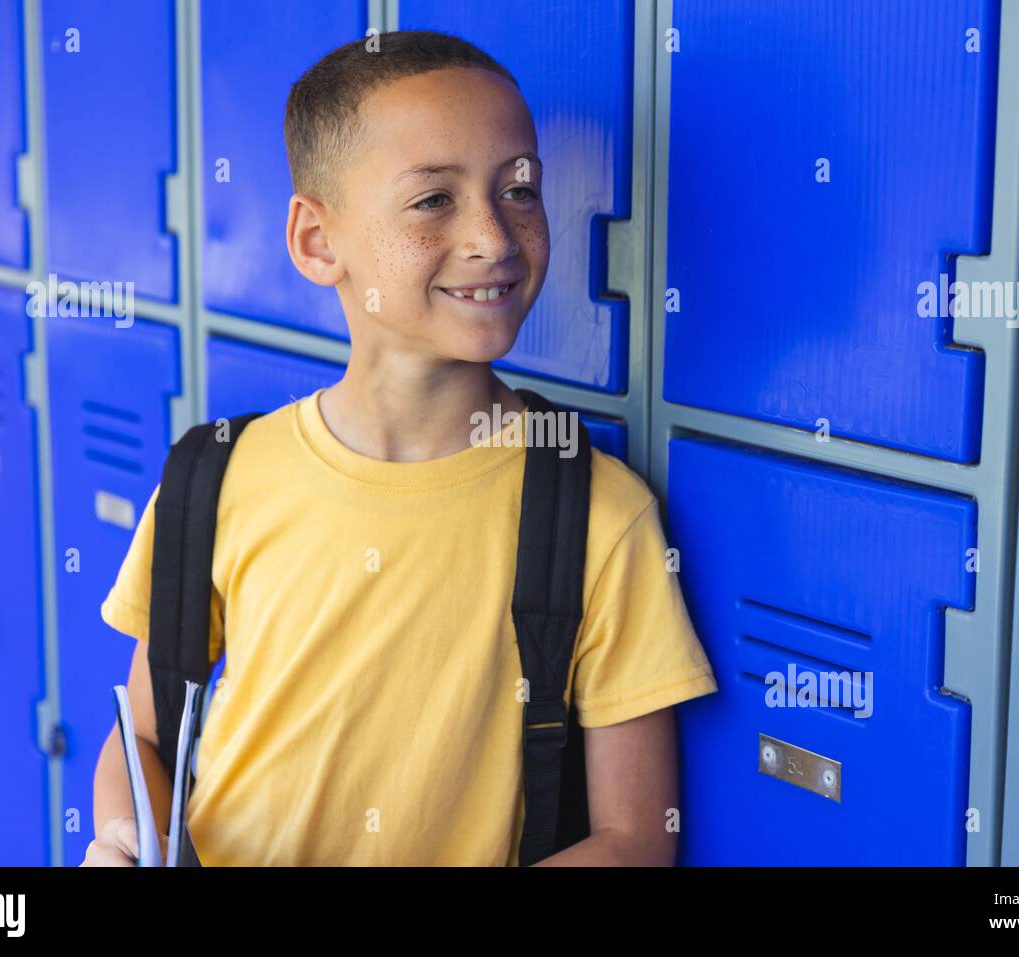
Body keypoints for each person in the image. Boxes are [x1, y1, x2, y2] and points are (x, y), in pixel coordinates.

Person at [83, 29, 716, 867]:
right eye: (433, 201)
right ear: (317, 242)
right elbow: (145, 741)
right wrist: (124, 842)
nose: (493, 235)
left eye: (519, 190)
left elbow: (636, 839)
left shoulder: (595, 512)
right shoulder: (216, 476)